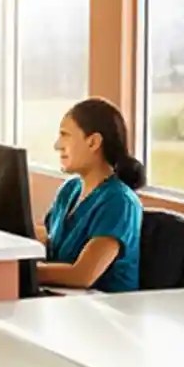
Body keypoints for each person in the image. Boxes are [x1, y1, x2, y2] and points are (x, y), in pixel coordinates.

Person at [36, 97, 145, 292]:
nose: (57, 145)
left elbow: (83, 275)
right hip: (66, 301)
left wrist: (22, 272)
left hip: (105, 313)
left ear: (93, 142)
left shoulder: (120, 202)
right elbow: (50, 239)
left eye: (65, 135)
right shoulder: (69, 190)